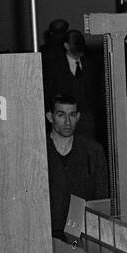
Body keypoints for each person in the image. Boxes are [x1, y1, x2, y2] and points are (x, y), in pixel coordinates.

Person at [46, 92, 109, 235]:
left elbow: (101, 197)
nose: (67, 122)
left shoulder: (93, 151)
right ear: (50, 117)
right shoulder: (40, 151)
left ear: (78, 117)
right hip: (47, 232)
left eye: (72, 115)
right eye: (61, 115)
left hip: (82, 231)